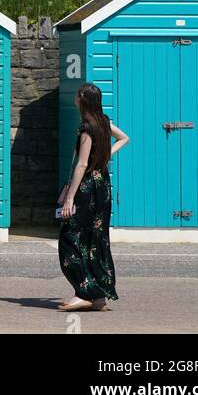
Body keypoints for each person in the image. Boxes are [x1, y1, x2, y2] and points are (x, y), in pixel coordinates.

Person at [58, 83, 129, 311]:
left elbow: (81, 164)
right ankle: (98, 295)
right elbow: (124, 138)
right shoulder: (103, 121)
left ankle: (84, 293)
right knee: (95, 239)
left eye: (77, 94)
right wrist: (106, 156)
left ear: (82, 98)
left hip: (87, 187)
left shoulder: (87, 128)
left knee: (69, 239)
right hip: (103, 186)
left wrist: (70, 197)